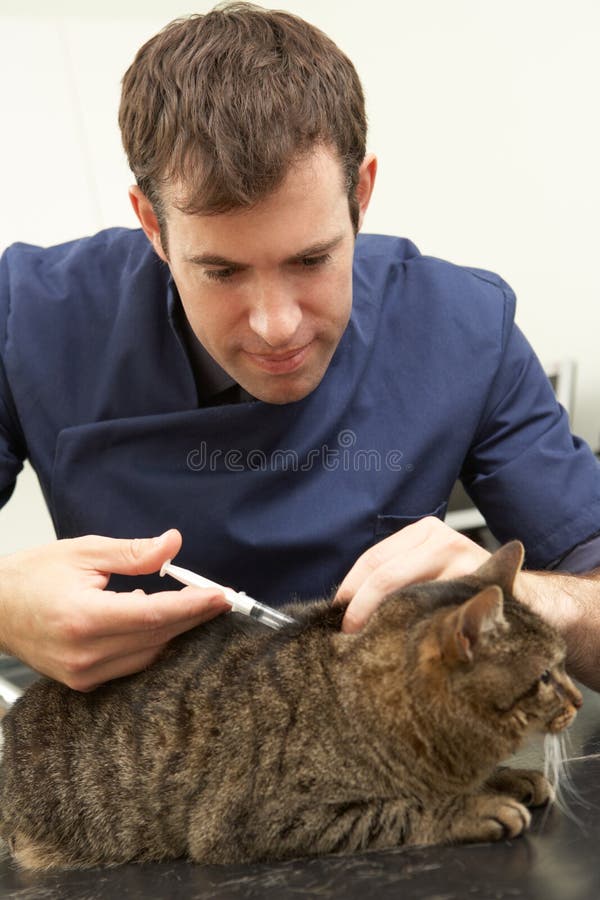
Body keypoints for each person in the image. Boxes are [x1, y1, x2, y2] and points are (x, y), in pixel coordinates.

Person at [1, 2, 600, 693]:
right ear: (152, 226)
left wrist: (525, 597)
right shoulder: (33, 317)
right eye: (221, 272)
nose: (276, 325)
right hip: (145, 785)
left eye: (311, 260)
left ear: (361, 195)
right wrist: (4, 604)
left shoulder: (463, 329)